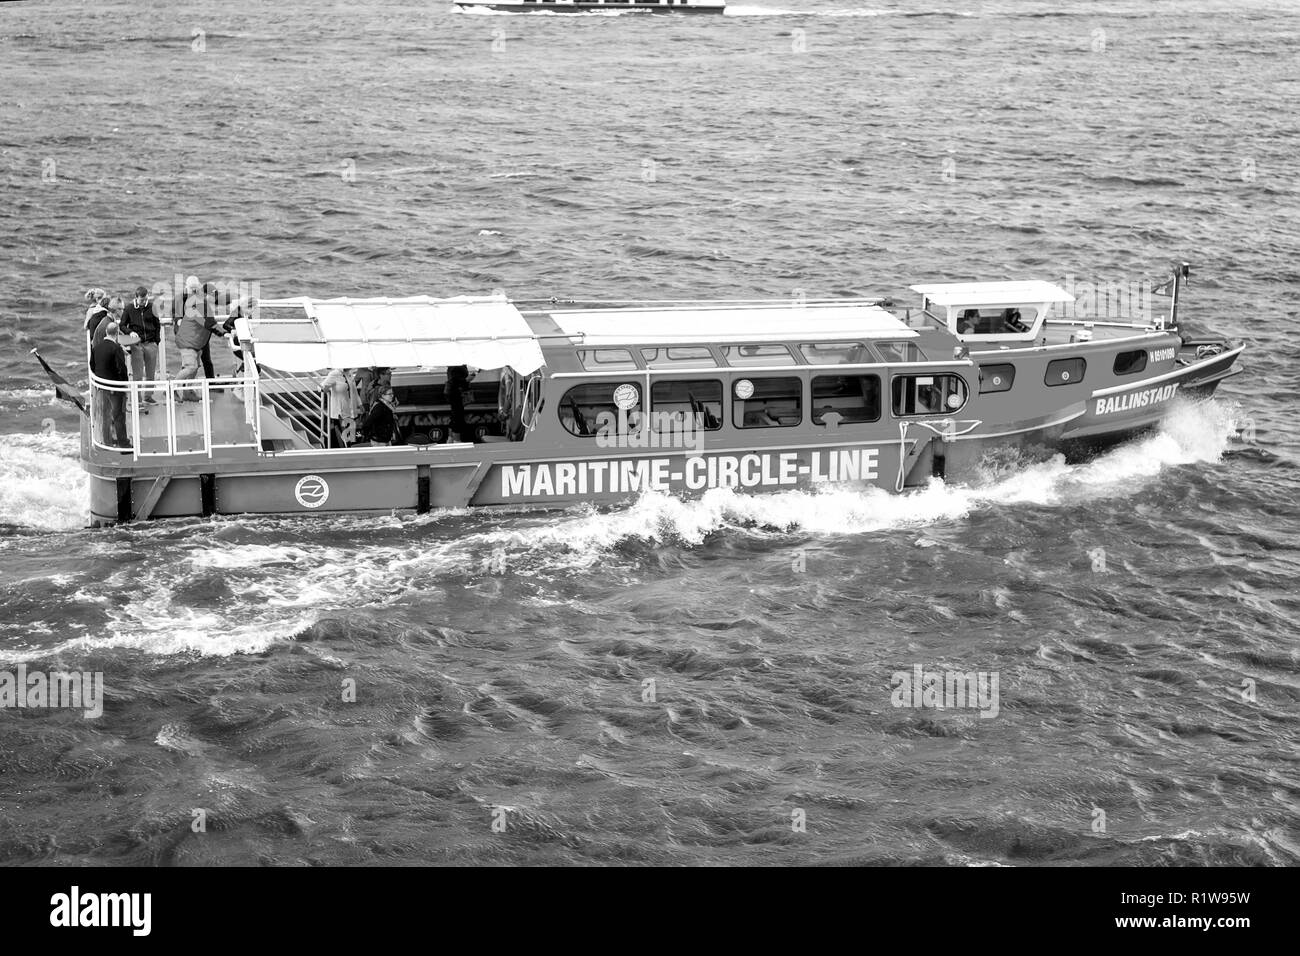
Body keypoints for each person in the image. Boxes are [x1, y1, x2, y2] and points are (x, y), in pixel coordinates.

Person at [173, 296, 225, 402]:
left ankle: (188, 392)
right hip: (187, 342)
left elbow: (210, 323)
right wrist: (225, 333)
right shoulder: (197, 310)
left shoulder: (204, 308)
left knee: (195, 368)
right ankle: (172, 388)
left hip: (197, 343)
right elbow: (210, 324)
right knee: (191, 367)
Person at [90, 321, 130, 448]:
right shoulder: (116, 348)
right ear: (117, 333)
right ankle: (124, 444)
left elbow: (92, 365)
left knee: (105, 413)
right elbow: (122, 369)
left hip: (101, 386)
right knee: (118, 416)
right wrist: (124, 385)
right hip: (114, 387)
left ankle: (105, 440)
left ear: (106, 332)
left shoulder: (96, 347)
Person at [121, 285, 161, 403]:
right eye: (141, 300)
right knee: (137, 374)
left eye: (145, 299)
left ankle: (148, 396)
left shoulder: (152, 306)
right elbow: (122, 325)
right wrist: (130, 332)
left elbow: (157, 324)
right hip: (137, 345)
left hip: (151, 343)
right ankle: (137, 399)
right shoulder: (129, 309)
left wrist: (156, 341)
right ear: (136, 298)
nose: (144, 302)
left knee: (151, 373)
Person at [322, 367, 360, 448]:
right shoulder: (334, 374)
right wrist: (326, 389)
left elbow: (354, 391)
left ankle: (350, 453)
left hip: (351, 410)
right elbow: (321, 387)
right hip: (340, 412)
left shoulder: (349, 373)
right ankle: (346, 453)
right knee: (345, 439)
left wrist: (360, 404)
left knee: (352, 438)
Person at [446, 364, 474, 443]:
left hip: (454, 394)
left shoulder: (453, 366)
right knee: (457, 417)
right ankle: (456, 439)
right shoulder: (456, 367)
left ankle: (450, 438)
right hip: (457, 394)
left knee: (454, 416)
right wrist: (466, 380)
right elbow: (454, 382)